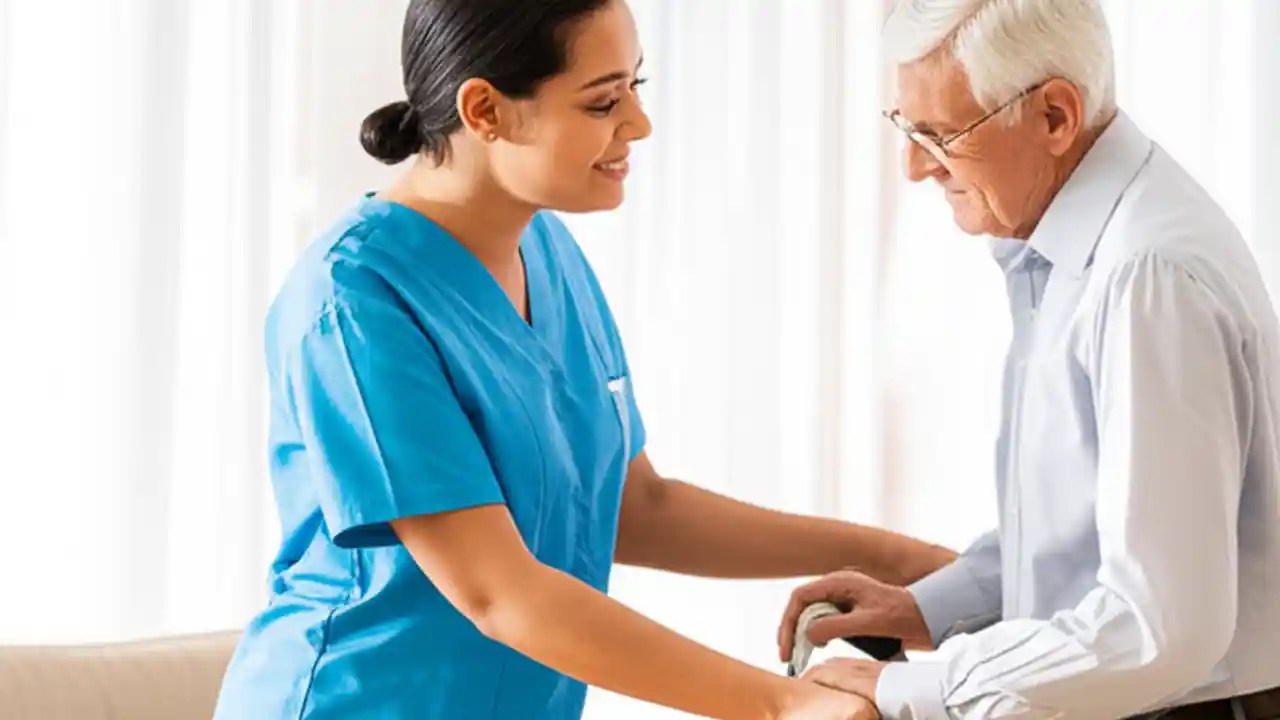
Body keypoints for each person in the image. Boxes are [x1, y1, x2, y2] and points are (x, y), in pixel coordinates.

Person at [213, 1, 956, 718]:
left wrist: (892, 556)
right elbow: (497, 593)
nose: (639, 122)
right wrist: (781, 702)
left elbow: (635, 508)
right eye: (603, 103)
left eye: (636, 86)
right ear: (486, 111)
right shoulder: (356, 301)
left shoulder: (544, 250)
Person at [776, 0, 1280, 718]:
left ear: (1054, 117)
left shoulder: (1147, 275)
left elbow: (1161, 626)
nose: (915, 165)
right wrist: (927, 607)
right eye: (906, 126)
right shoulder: (1068, 250)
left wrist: (911, 689)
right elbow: (1092, 537)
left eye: (940, 133)